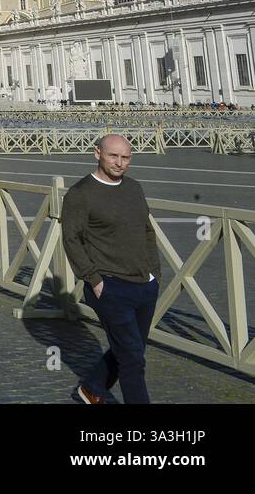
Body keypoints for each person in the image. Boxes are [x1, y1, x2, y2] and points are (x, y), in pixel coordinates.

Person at [62, 134, 160, 405]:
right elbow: (71, 240)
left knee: (131, 348)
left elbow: (147, 230)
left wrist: (154, 274)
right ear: (97, 154)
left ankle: (91, 388)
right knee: (132, 358)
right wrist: (94, 279)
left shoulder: (134, 188)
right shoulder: (79, 194)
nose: (119, 163)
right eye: (113, 156)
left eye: (125, 157)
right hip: (110, 285)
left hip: (144, 283)